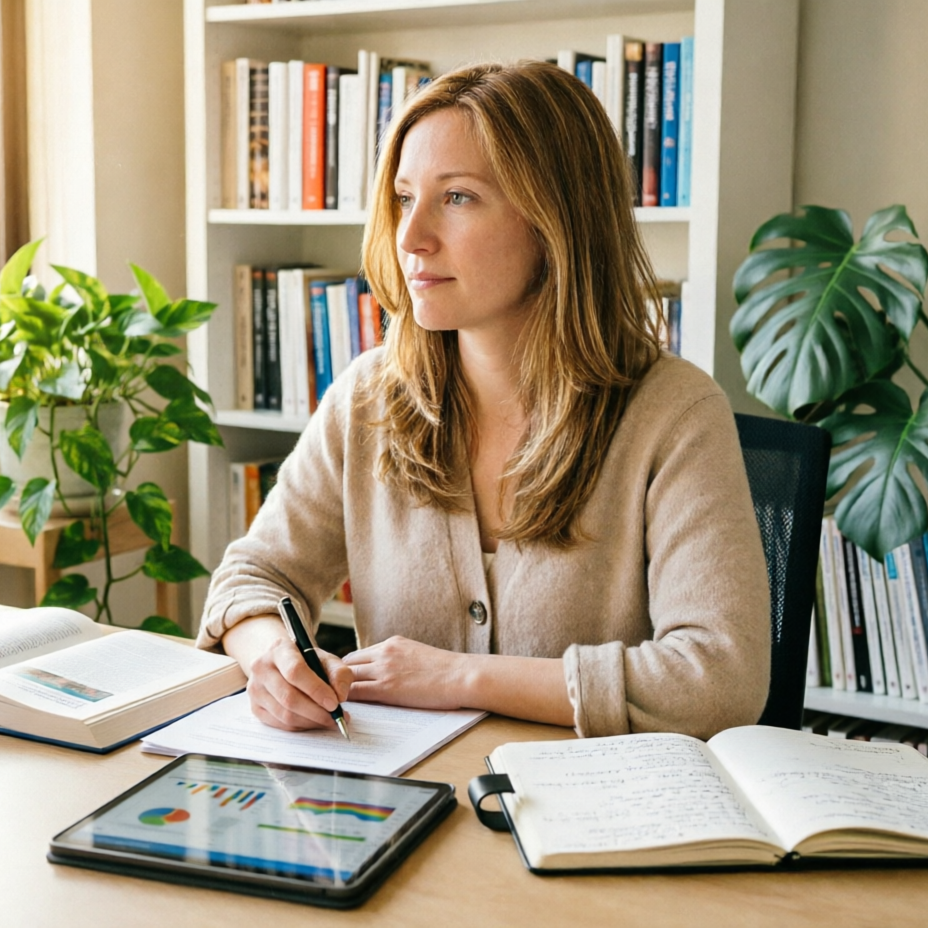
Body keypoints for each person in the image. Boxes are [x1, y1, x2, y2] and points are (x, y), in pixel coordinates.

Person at [197, 60, 770, 739]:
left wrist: (458, 678)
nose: (411, 238)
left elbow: (719, 680)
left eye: (458, 197)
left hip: (595, 823)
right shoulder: (368, 398)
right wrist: (272, 658)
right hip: (408, 807)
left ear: (556, 220)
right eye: (406, 198)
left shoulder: (675, 414)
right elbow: (252, 577)